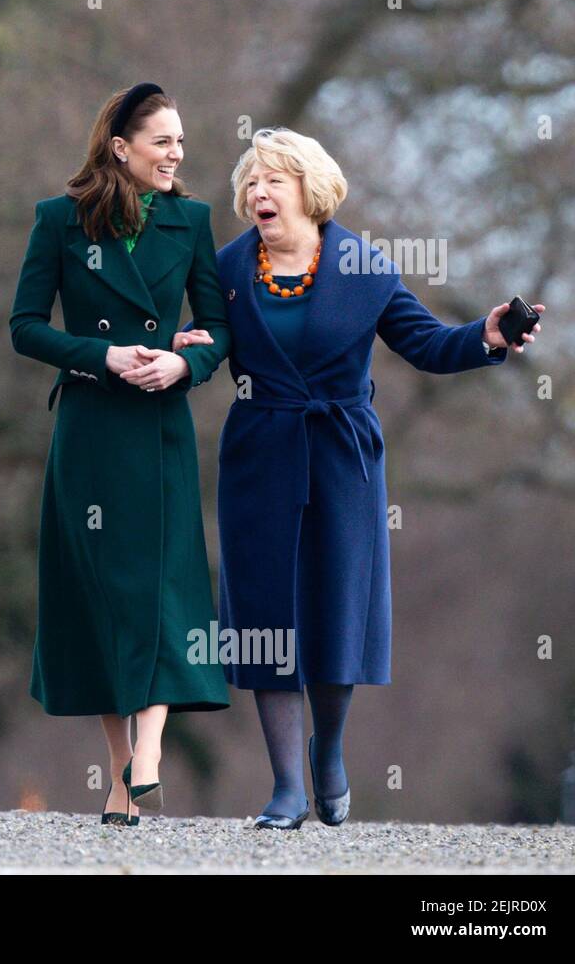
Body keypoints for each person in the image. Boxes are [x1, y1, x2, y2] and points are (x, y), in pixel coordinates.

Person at [184, 127, 544, 829]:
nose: (259, 193)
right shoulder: (225, 269)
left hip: (344, 458)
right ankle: (287, 786)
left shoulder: (363, 267)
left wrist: (488, 336)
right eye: (251, 182)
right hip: (258, 455)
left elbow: (429, 345)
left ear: (309, 190)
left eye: (274, 180)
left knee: (336, 609)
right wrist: (186, 347)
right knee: (265, 615)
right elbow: (207, 339)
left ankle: (330, 753)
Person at [9, 84, 231, 826]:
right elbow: (25, 327)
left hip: (160, 428)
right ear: (120, 148)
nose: (176, 154)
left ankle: (152, 752)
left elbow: (219, 328)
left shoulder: (194, 220)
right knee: (100, 598)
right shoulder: (58, 220)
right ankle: (118, 771)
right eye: (163, 141)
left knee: (162, 592)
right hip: (92, 429)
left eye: (181, 143)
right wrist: (102, 354)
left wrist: (186, 366)